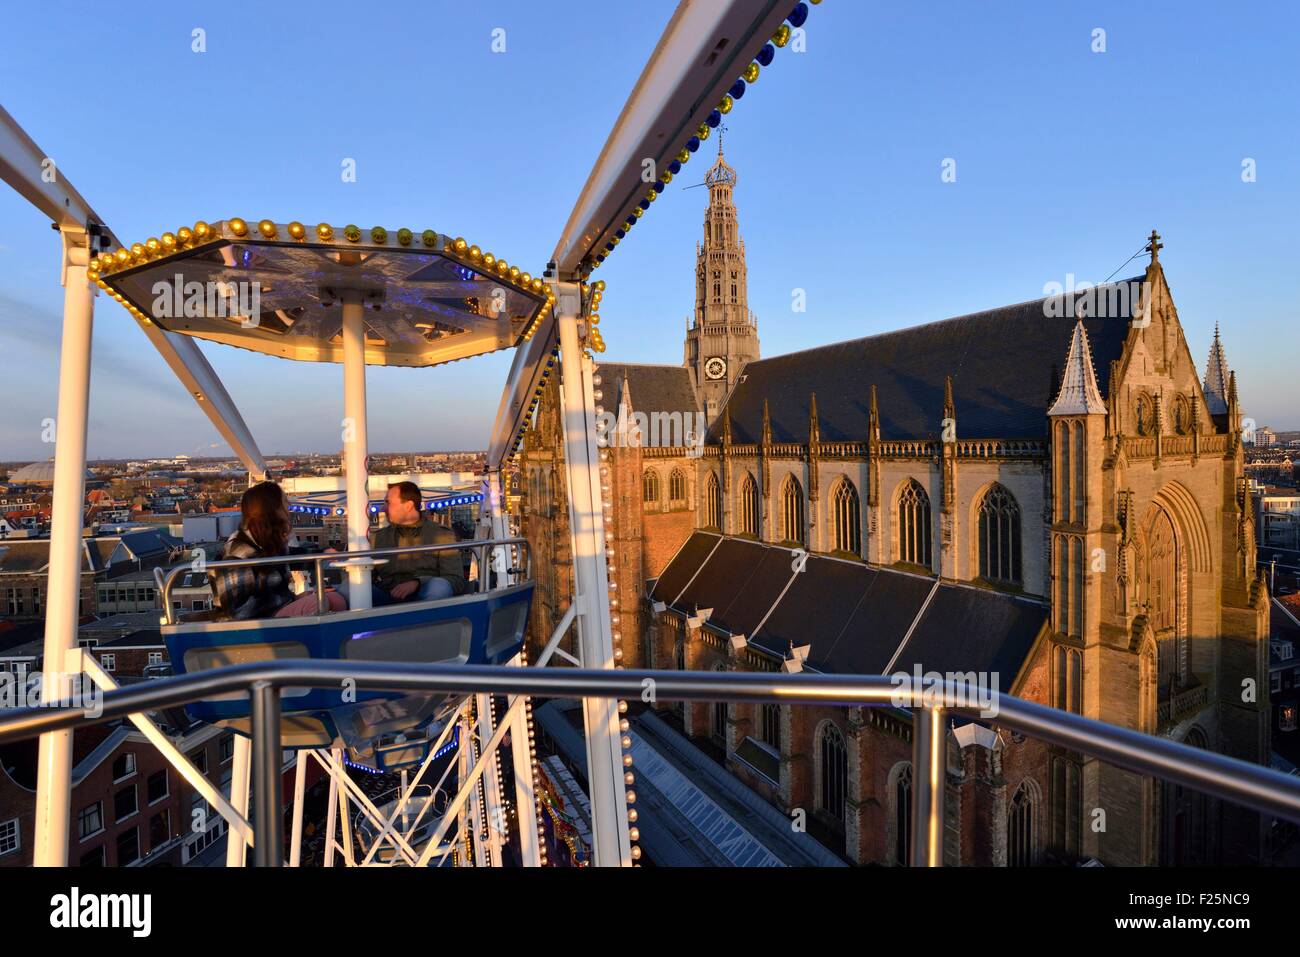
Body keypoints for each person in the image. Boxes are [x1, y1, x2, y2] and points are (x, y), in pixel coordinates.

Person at [210, 481, 346, 620]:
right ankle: (311, 641)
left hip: (275, 610)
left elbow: (292, 556)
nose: (289, 506)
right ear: (272, 510)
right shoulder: (237, 553)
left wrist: (323, 554)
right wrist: (291, 601)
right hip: (257, 623)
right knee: (316, 603)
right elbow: (239, 611)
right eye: (285, 502)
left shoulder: (265, 541)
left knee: (336, 600)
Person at [337, 481, 466, 607]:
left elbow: (456, 580)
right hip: (387, 597)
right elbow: (364, 578)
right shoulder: (377, 538)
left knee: (439, 586)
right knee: (348, 587)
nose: (383, 508)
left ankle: (425, 624)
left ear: (408, 505)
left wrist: (418, 583)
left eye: (388, 503)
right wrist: (345, 564)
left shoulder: (441, 535)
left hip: (424, 595)